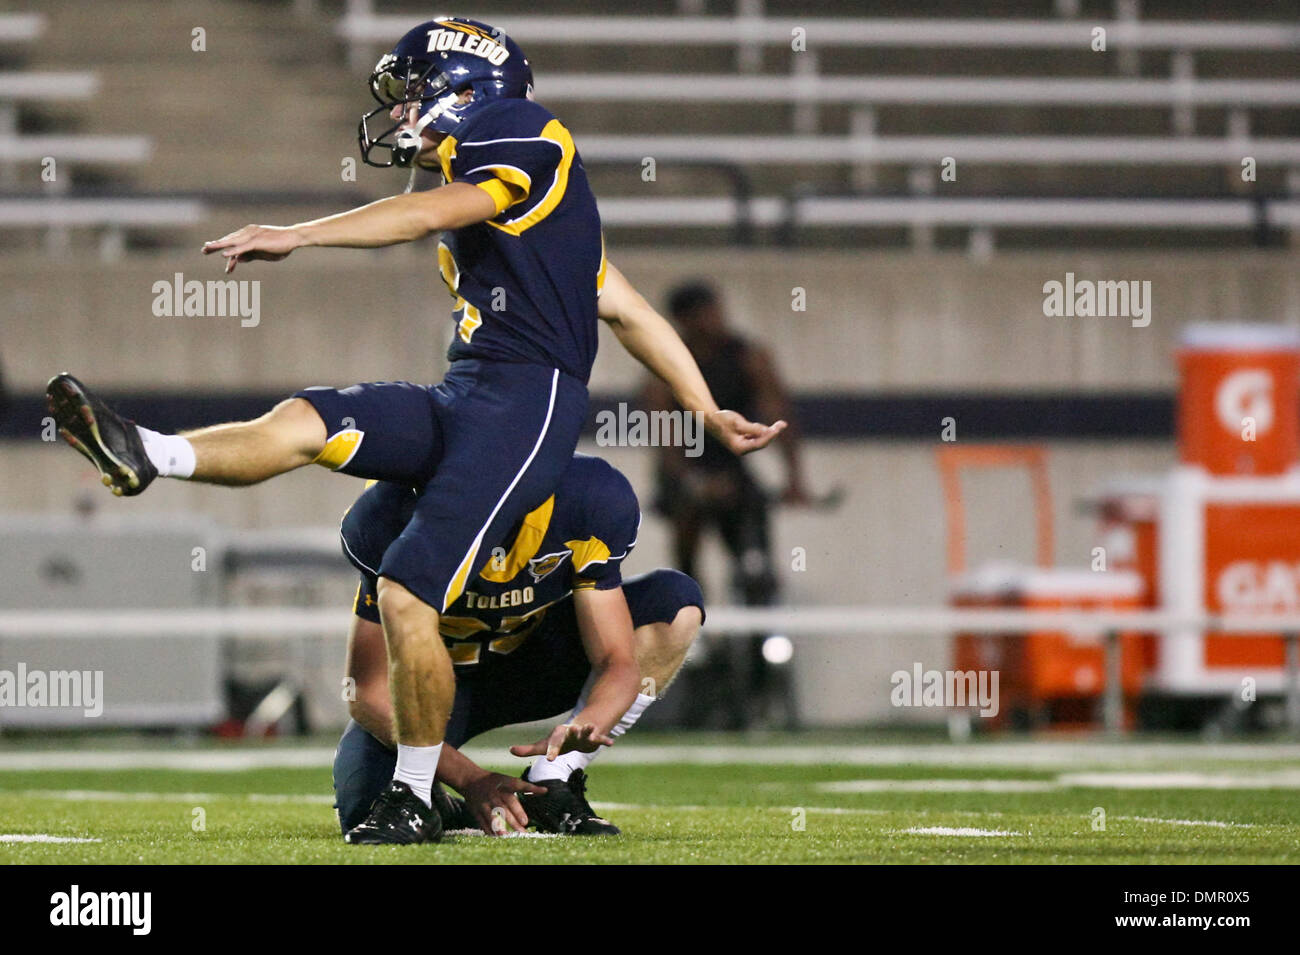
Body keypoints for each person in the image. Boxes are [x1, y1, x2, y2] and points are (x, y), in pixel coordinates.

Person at [45, 18, 781, 845]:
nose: (402, 116)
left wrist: (300, 234)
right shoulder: (541, 217)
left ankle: (417, 791)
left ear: (465, 93)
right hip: (469, 393)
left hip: (524, 402)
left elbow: (432, 212)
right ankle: (152, 453)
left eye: (414, 93)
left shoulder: (522, 135)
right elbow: (630, 309)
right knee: (310, 420)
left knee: (406, 584)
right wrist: (705, 407)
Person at [333, 454, 703, 837]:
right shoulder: (389, 512)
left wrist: (590, 721)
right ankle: (436, 801)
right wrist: (469, 777)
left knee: (674, 605)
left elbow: (617, 660)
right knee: (365, 806)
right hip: (433, 687)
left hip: (533, 663)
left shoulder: (585, 498)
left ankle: (553, 779)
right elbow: (366, 692)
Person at [642, 281, 807, 729]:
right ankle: (695, 655)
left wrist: (795, 480)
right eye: (702, 314)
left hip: (736, 477)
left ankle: (759, 672)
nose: (713, 321)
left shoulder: (749, 356)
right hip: (686, 481)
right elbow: (664, 439)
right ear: (684, 320)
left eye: (715, 311)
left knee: (757, 573)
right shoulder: (665, 363)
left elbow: (779, 415)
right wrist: (693, 482)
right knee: (686, 578)